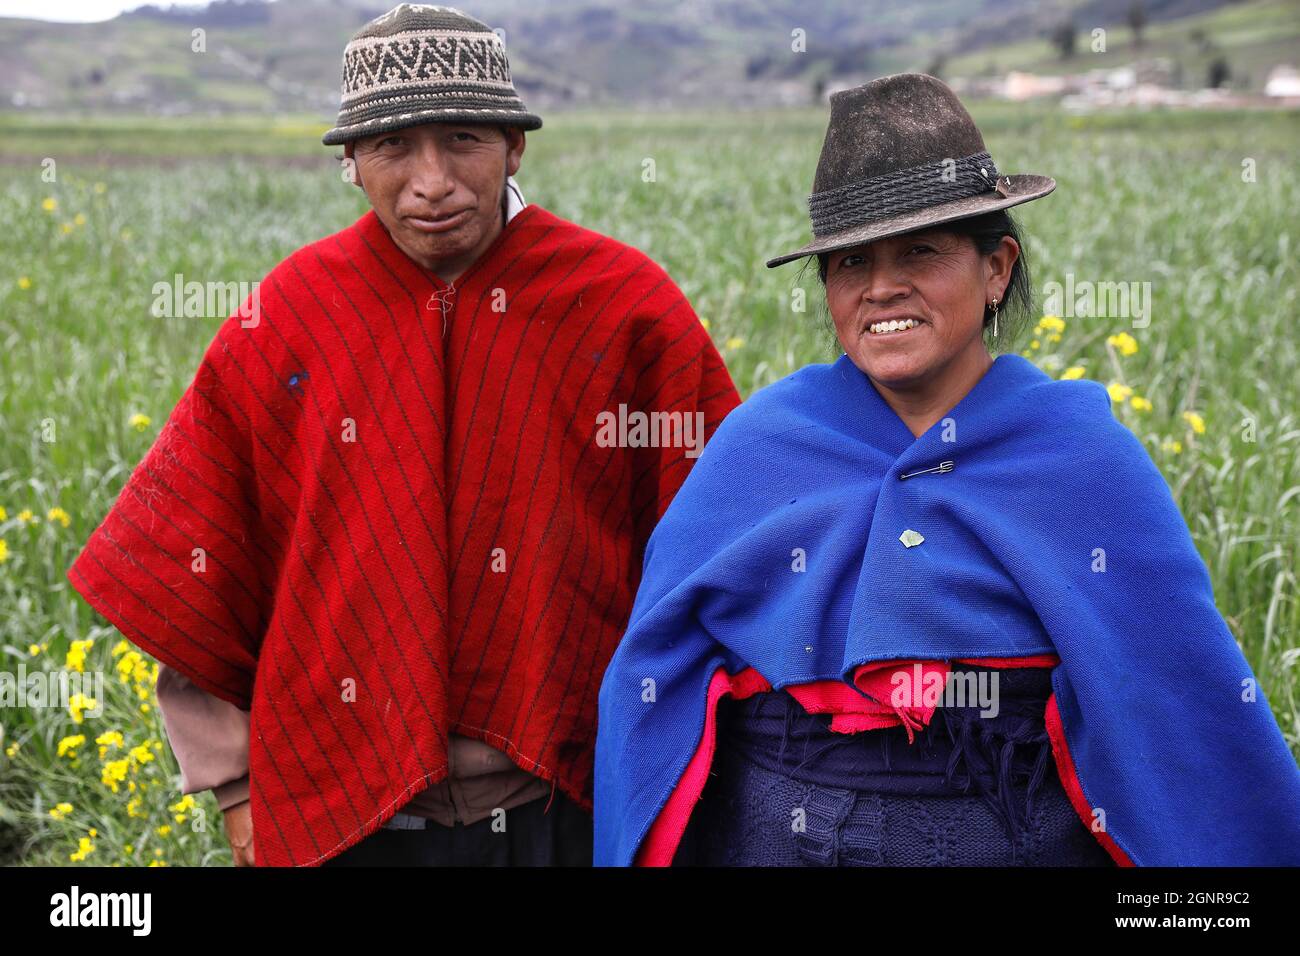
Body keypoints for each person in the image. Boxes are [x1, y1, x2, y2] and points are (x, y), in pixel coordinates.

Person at [66, 3, 741, 867]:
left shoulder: (619, 306)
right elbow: (205, 555)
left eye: (464, 139)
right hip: (340, 815)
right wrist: (236, 789)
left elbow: (722, 553)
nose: (432, 181)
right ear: (351, 161)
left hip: (567, 804)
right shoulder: (290, 317)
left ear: (515, 146)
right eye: (392, 146)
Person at [593, 72, 1300, 866]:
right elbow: (654, 676)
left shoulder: (1080, 460)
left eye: (920, 252)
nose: (881, 287)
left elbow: (1179, 704)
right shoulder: (759, 447)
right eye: (850, 262)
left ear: (997, 268)